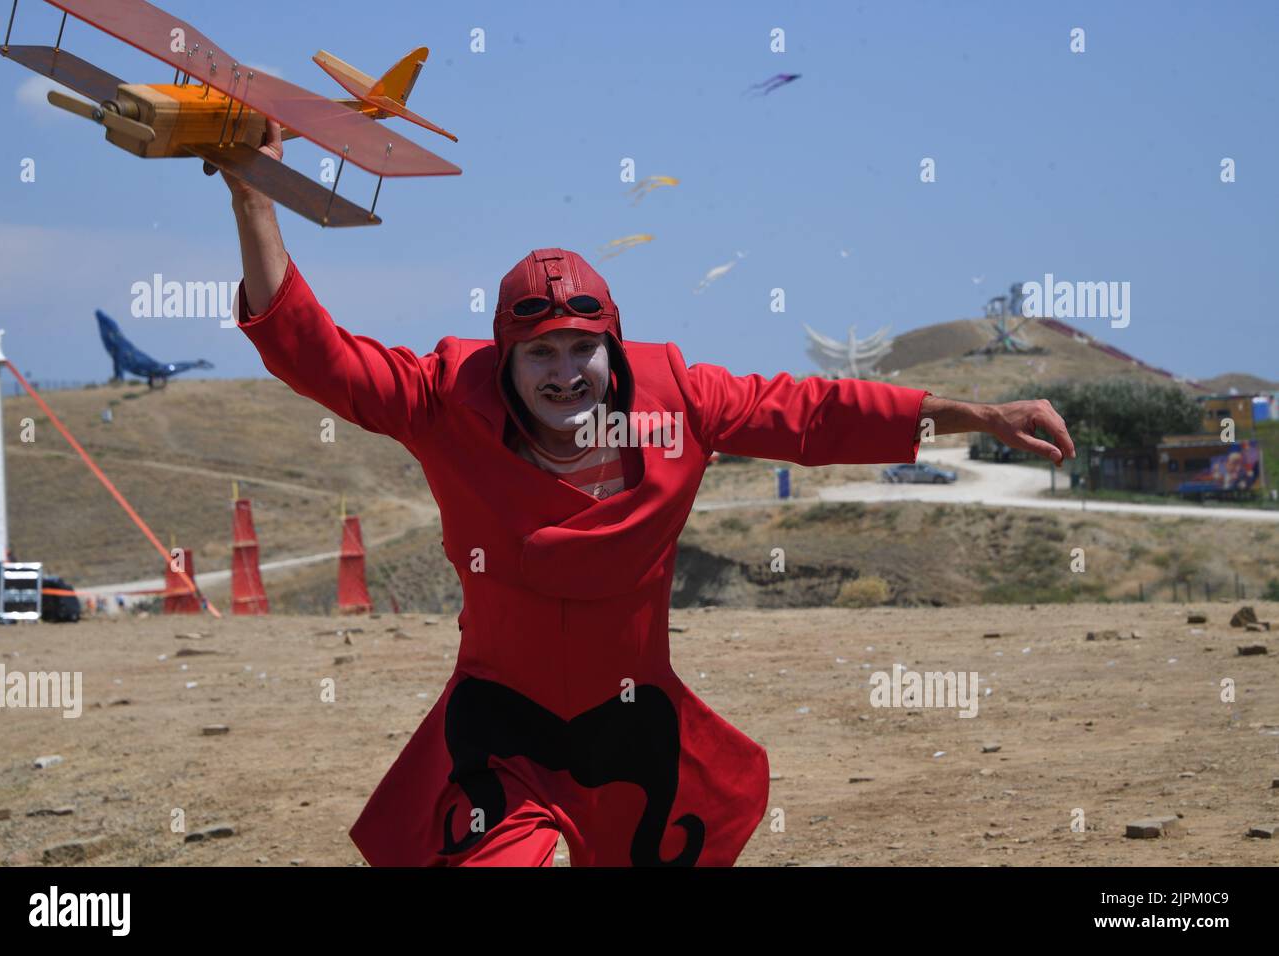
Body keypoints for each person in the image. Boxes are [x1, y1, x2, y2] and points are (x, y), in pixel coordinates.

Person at [227, 120, 1075, 867]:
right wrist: (254, 202)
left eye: (580, 349)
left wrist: (974, 414)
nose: (565, 375)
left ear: (613, 346)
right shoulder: (449, 399)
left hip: (632, 730)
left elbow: (818, 416)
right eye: (539, 355)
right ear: (504, 360)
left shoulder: (680, 400)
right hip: (498, 733)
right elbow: (319, 357)